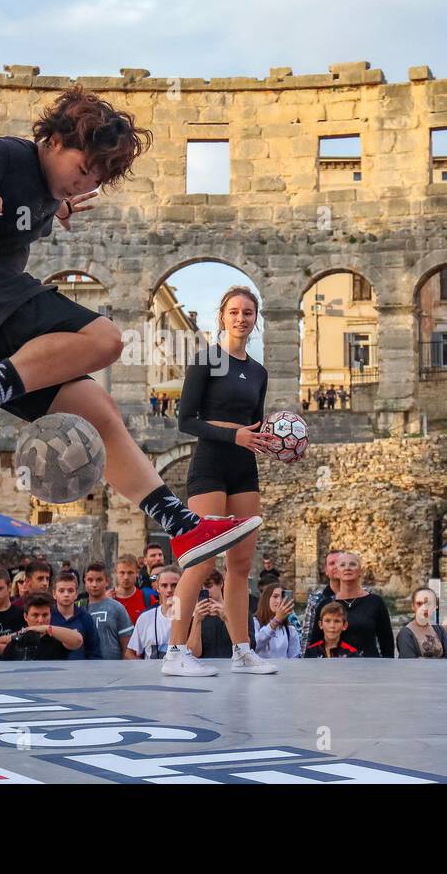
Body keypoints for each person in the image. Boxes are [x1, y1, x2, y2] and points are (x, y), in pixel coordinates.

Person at [0, 93, 260, 586]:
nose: (88, 179)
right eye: (83, 165)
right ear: (52, 141)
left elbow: (34, 210)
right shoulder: (13, 155)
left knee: (96, 409)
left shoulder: (51, 194)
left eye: (98, 176)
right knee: (104, 339)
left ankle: (181, 526)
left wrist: (59, 207)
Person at [165, 286, 279, 676]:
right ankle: (175, 651)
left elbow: (256, 424)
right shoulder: (207, 361)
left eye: (248, 312)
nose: (241, 318)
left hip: (245, 468)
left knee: (241, 564)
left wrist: (275, 440)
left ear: (255, 318)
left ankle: (242, 650)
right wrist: (234, 435)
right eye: (234, 311)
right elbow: (186, 421)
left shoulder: (259, 372)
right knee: (200, 561)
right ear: (222, 316)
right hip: (210, 465)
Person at [306, 551, 395, 658]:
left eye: (352, 564)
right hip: (336, 669)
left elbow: (387, 643)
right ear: (337, 572)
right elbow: (316, 643)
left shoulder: (375, 602)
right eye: (342, 565)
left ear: (360, 571)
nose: (347, 568)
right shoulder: (326, 604)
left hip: (369, 668)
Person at [4, 593, 84, 660]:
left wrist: (46, 628)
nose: (40, 620)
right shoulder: (16, 643)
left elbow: (78, 640)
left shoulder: (58, 639)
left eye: (45, 615)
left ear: (50, 615)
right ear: (26, 617)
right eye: (35, 615)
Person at [126, 567, 181, 660]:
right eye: (164, 585)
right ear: (158, 588)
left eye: (174, 585)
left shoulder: (192, 616)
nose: (169, 590)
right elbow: (129, 653)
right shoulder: (145, 618)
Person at [81, 562, 133, 660]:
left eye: (99, 580)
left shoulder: (117, 608)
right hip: (86, 669)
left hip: (113, 669)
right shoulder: (80, 609)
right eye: (90, 580)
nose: (94, 584)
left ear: (107, 581)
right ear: (85, 581)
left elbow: (127, 646)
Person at [47, 572, 99, 659]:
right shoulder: (48, 617)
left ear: (76, 594)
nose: (66, 594)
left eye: (70, 591)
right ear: (54, 594)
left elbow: (94, 652)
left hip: (79, 670)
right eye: (61, 591)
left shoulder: (85, 617)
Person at [396, 587, 447, 659]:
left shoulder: (440, 630)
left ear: (435, 606)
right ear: (413, 606)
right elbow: (409, 664)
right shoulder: (405, 633)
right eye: (419, 604)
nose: (424, 608)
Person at [300, 551, 341, 647]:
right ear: (326, 570)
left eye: (340, 563)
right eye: (332, 563)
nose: (336, 566)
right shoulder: (316, 599)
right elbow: (307, 634)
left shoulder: (362, 598)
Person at [252, 583, 301, 659]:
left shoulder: (290, 630)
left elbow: (294, 658)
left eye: (282, 598)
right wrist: (276, 621)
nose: (279, 601)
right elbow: (254, 646)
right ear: (266, 599)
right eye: (275, 596)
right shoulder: (255, 622)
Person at [112, 553, 158, 624]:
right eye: (122, 573)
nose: (126, 577)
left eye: (130, 573)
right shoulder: (107, 599)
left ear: (137, 573)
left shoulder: (148, 600)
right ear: (115, 573)